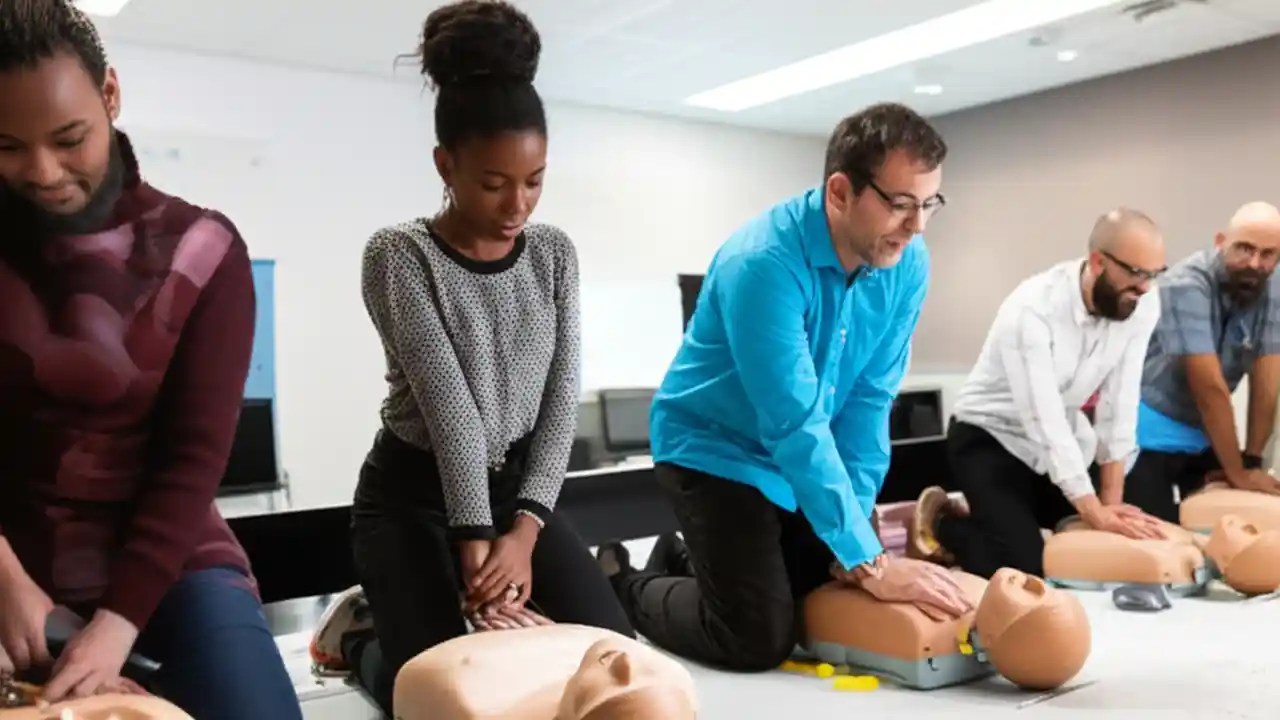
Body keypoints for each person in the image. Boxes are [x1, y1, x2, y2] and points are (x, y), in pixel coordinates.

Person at [312, 0, 632, 712]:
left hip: (514, 493)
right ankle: (362, 638)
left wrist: (522, 533)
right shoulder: (401, 255)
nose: (517, 203)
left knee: (617, 658)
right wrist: (474, 542)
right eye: (493, 184)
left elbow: (560, 396)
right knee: (434, 690)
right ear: (445, 166)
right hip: (410, 497)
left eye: (535, 179)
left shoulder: (552, 253)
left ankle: (450, 602)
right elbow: (451, 411)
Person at [0, 2, 302, 718]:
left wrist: (115, 626)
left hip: (166, 562)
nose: (43, 172)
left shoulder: (202, 252)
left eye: (69, 138)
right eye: (6, 145)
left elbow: (190, 464)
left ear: (110, 94)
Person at [594, 102, 972, 674]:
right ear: (841, 191)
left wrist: (859, 535)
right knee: (756, 635)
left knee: (818, 582)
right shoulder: (764, 263)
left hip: (794, 452)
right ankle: (624, 584)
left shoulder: (907, 262)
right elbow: (794, 422)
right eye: (899, 204)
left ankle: (687, 556)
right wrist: (871, 562)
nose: (916, 227)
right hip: (715, 450)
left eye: (928, 205)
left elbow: (869, 401)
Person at [912, 209, 1169, 579]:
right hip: (989, 436)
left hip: (1059, 436)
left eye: (1154, 274)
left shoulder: (1142, 301)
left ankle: (995, 511)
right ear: (1098, 262)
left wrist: (1110, 506)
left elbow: (1120, 402)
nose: (1145, 287)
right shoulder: (1032, 309)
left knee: (1106, 525)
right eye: (1136, 274)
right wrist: (1093, 510)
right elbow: (1041, 418)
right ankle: (943, 523)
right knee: (1025, 565)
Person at [1125, 202, 1280, 522]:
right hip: (1147, 434)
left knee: (1230, 528)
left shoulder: (1272, 282)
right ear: (1221, 241)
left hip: (1202, 435)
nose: (1255, 263)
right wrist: (1236, 473)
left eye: (1268, 254)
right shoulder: (1185, 284)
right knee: (1160, 535)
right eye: (1245, 248)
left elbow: (1267, 375)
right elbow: (1208, 388)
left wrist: (1250, 461)